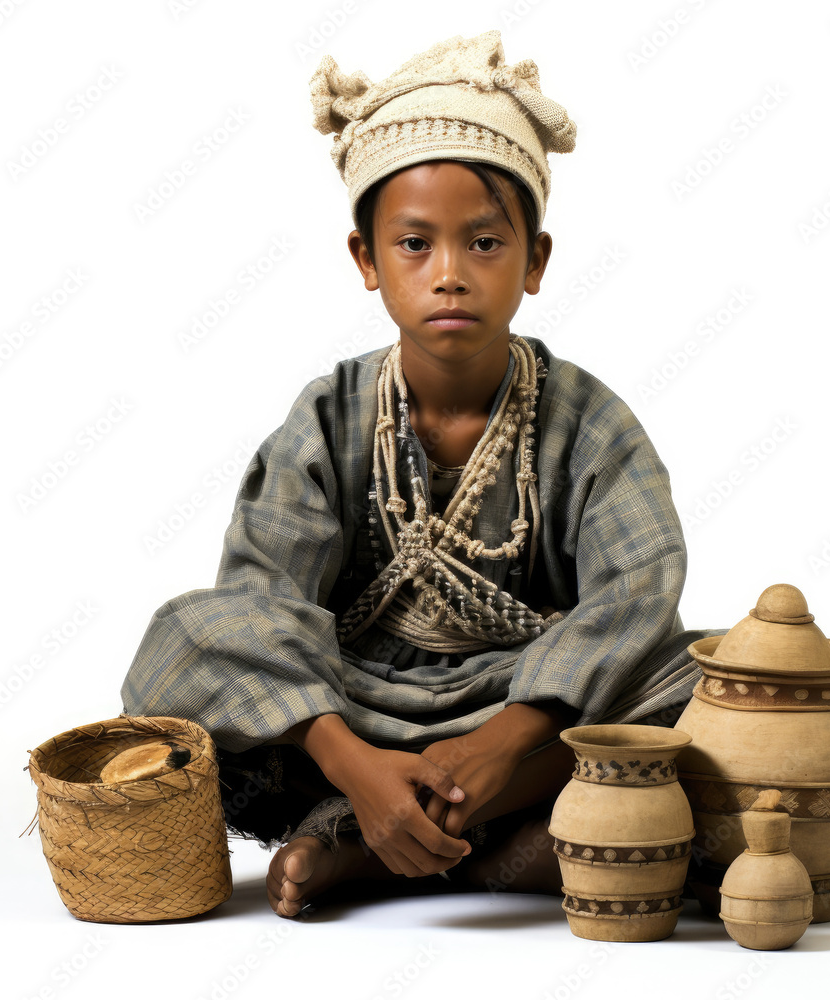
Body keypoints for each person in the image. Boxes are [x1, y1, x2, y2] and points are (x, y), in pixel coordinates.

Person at [121, 30, 719, 918]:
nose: (449, 275)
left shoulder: (590, 422)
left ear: (536, 261)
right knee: (190, 637)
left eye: (483, 243)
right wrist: (350, 757)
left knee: (709, 676)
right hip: (357, 708)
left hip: (525, 714)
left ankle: (368, 843)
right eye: (413, 245)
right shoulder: (331, 416)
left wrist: (505, 740)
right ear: (366, 260)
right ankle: (447, 825)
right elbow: (259, 601)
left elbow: (638, 591)